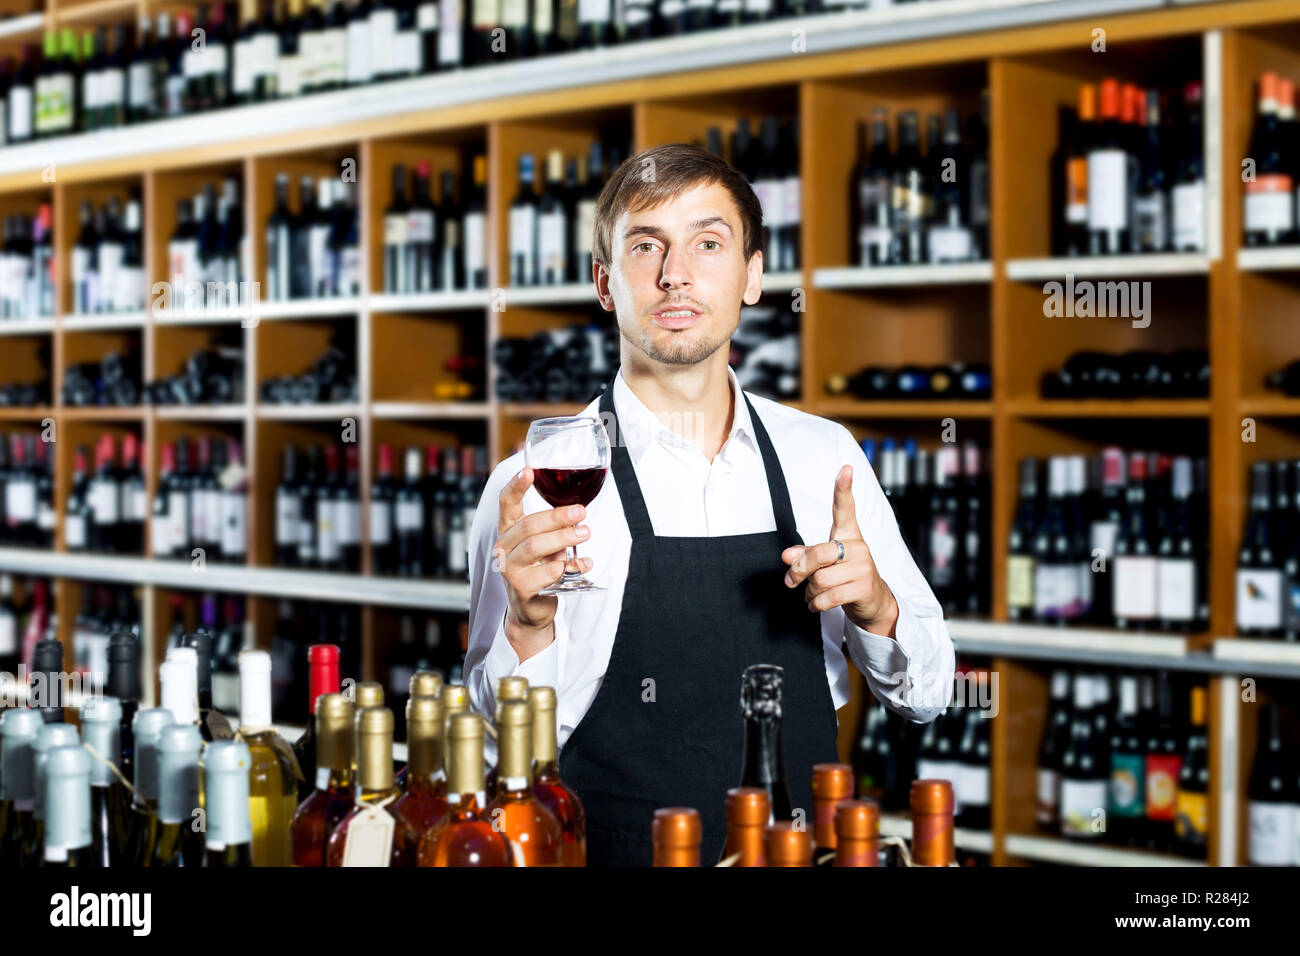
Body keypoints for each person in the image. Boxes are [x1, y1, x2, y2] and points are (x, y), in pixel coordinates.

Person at [466, 142, 954, 866]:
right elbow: (494, 754)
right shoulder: (532, 485)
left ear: (752, 276)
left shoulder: (826, 458)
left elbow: (932, 693)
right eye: (645, 246)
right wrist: (529, 628)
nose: (676, 274)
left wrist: (878, 609)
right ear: (605, 284)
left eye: (708, 242)